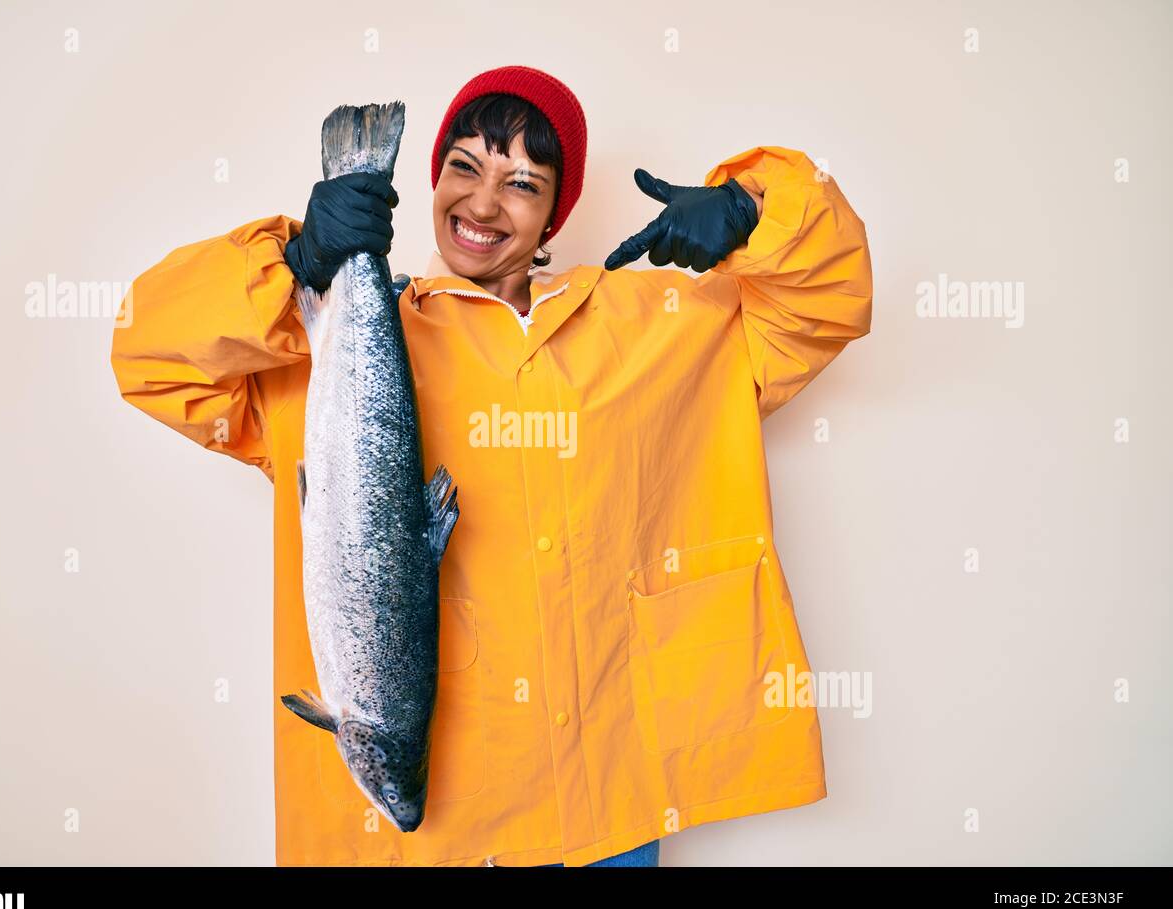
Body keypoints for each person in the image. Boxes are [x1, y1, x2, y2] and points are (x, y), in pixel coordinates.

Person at [110, 65, 872, 867]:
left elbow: (829, 299)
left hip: (606, 808)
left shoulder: (667, 327)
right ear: (433, 180)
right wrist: (294, 261)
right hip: (429, 836)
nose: (481, 203)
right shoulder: (327, 349)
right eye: (464, 167)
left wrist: (752, 210)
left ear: (553, 216)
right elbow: (149, 354)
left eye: (522, 183)